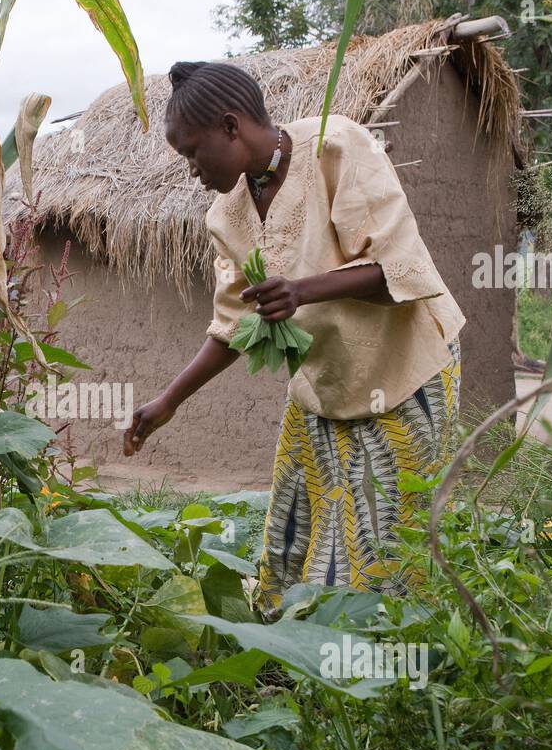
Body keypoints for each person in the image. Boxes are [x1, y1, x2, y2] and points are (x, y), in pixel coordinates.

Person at [123, 60, 466, 618]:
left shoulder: (337, 146)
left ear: (231, 127)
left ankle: (382, 667)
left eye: (192, 151)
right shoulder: (227, 216)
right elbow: (234, 326)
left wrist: (302, 291)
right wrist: (168, 401)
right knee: (292, 530)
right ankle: (291, 651)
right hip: (324, 385)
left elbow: (401, 271)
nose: (190, 169)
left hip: (403, 373)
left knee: (382, 540)